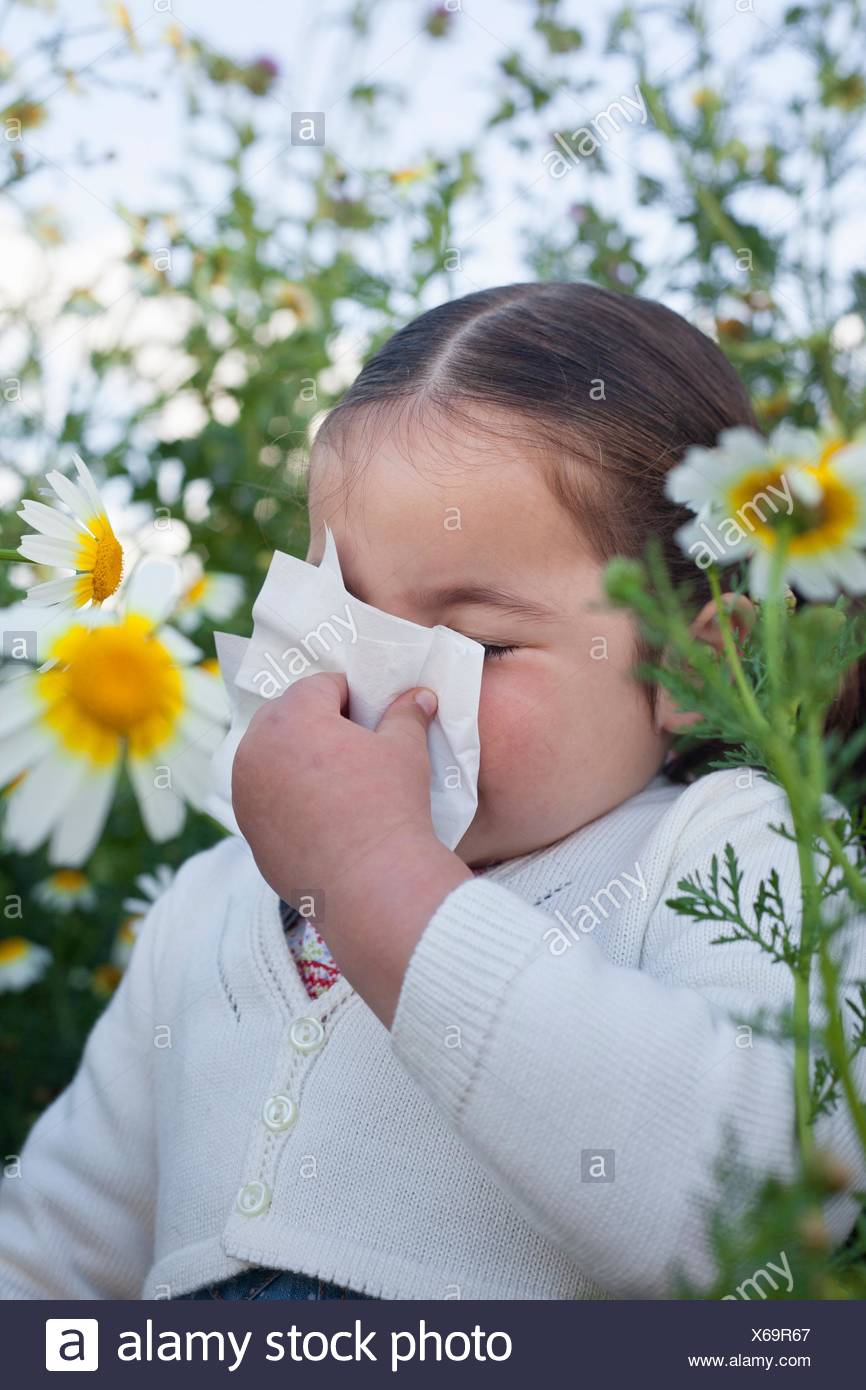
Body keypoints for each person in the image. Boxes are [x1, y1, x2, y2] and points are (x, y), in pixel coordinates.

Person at [1, 282, 864, 1301]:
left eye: (477, 641)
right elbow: (53, 1248)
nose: (396, 682)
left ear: (688, 664)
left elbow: (754, 1210)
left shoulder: (735, 847)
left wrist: (379, 881)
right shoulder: (212, 899)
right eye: (343, 615)